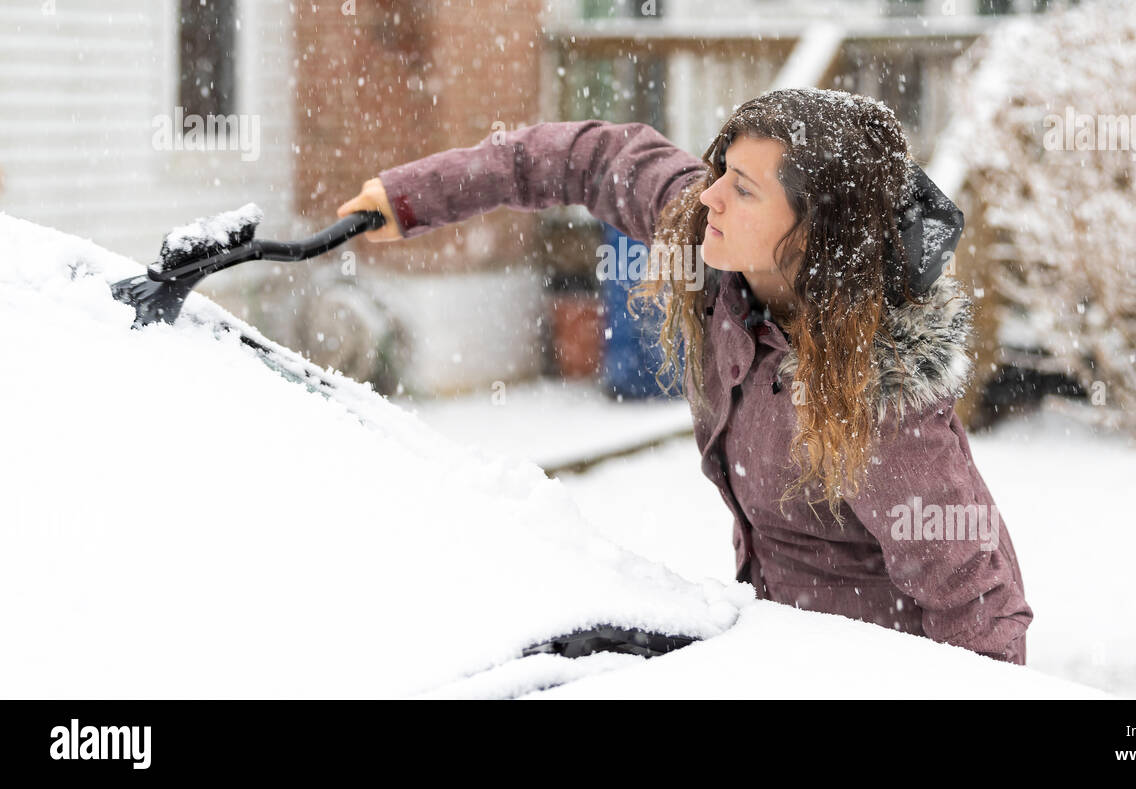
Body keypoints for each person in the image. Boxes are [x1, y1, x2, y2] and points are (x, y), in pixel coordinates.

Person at [338, 87, 1033, 665]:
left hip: (871, 670)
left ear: (817, 232)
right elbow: (587, 158)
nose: (712, 198)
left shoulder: (880, 401)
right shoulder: (705, 248)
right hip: (773, 646)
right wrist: (410, 197)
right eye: (722, 171)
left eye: (745, 189)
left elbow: (980, 604)